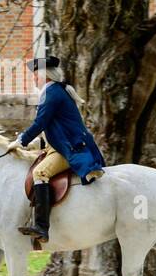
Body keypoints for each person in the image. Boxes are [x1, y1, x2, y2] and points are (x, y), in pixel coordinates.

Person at [16, 55, 105, 241]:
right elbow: (54, 129)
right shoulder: (54, 91)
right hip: (56, 146)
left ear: (45, 76)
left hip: (69, 149)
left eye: (35, 75)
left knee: (39, 173)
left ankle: (42, 227)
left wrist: (22, 140)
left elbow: (40, 123)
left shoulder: (52, 93)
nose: (33, 78)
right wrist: (36, 144)